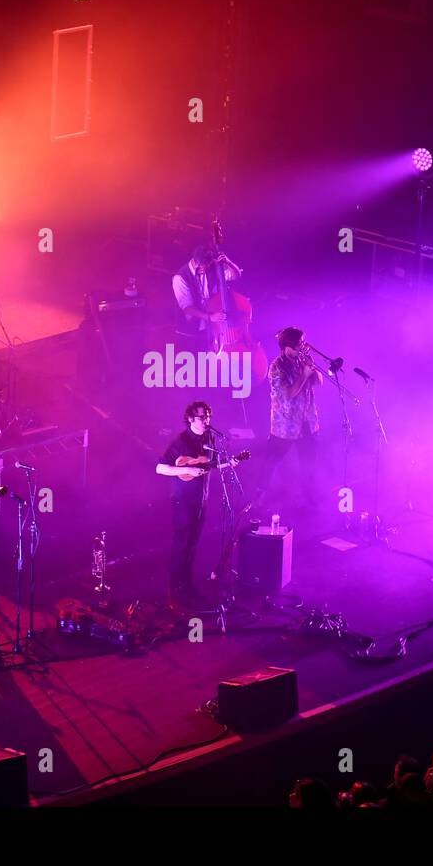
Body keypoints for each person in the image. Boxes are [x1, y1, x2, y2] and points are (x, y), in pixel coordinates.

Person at [155, 401, 216, 606]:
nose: (206, 420)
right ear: (190, 418)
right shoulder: (181, 440)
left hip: (201, 499)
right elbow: (160, 468)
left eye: (207, 416)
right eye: (201, 417)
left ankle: (187, 586)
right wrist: (186, 470)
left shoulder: (210, 437)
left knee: (192, 545)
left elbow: (211, 465)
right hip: (182, 500)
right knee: (181, 544)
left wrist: (229, 463)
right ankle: (173, 589)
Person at [257, 326, 322, 508]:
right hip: (285, 425)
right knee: (270, 462)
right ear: (288, 347)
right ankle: (259, 496)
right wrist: (303, 375)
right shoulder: (277, 367)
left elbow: (319, 382)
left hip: (307, 423)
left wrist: (312, 369)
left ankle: (309, 497)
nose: (304, 346)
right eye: (300, 343)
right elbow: (288, 395)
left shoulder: (302, 360)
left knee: (309, 463)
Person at [172, 245, 240, 353]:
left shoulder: (212, 266)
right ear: (194, 261)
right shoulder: (180, 278)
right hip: (191, 331)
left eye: (206, 266)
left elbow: (235, 276)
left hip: (213, 327)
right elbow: (187, 308)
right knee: (195, 364)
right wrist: (209, 317)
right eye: (201, 266)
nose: (203, 269)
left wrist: (228, 262)